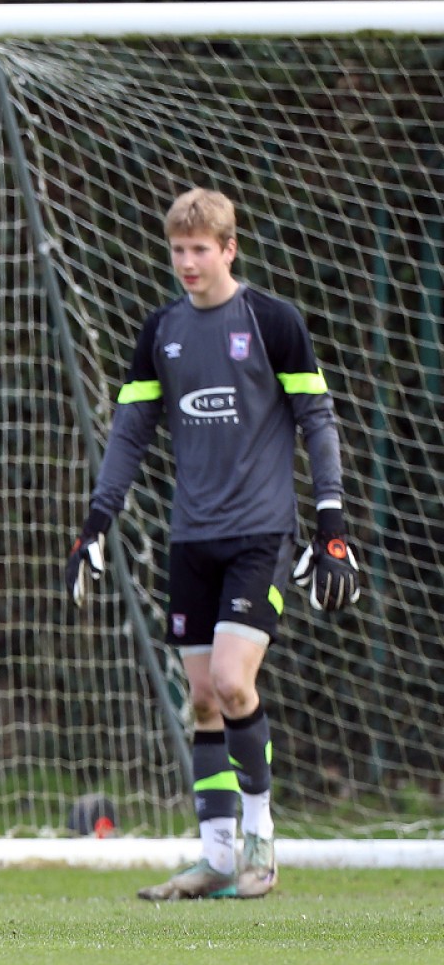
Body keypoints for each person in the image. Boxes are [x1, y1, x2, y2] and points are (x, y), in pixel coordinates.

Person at [67, 188, 358, 901]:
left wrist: (332, 525)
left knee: (232, 681)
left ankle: (261, 844)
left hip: (262, 534)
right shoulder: (161, 330)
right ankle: (218, 856)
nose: (188, 261)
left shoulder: (271, 322)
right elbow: (131, 431)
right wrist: (96, 524)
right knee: (201, 699)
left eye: (201, 248)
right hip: (190, 537)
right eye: (178, 249)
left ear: (229, 249)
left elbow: (317, 419)